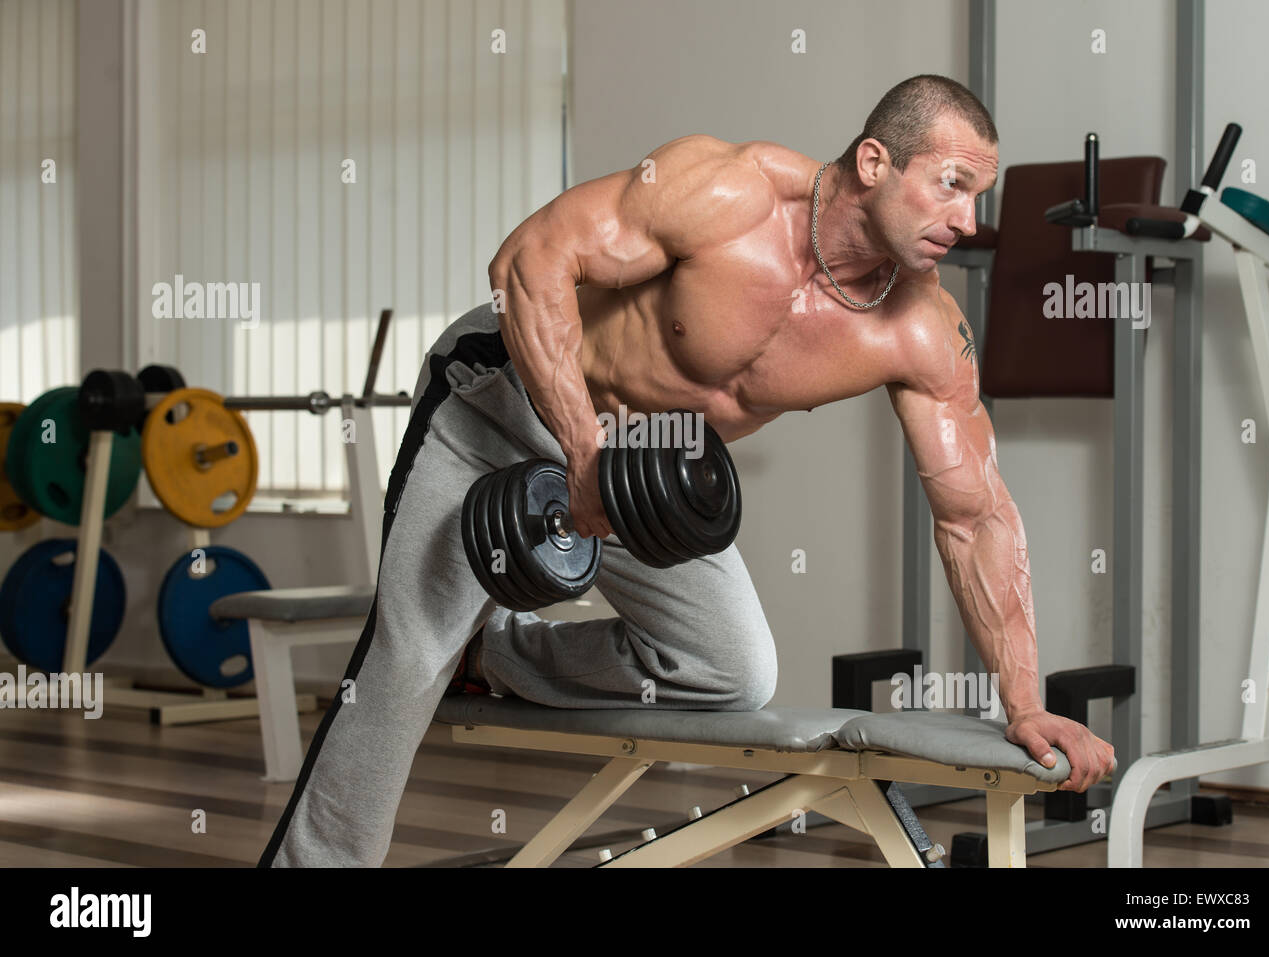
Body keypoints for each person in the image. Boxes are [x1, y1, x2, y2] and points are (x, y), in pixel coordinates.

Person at [260, 73, 1115, 867]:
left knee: (733, 667)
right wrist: (583, 453)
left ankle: (499, 657)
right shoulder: (727, 192)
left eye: (979, 196)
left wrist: (1024, 700)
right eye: (952, 184)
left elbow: (976, 515)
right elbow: (530, 262)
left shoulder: (920, 331)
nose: (968, 221)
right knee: (408, 654)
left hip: (640, 464)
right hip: (504, 393)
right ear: (873, 162)